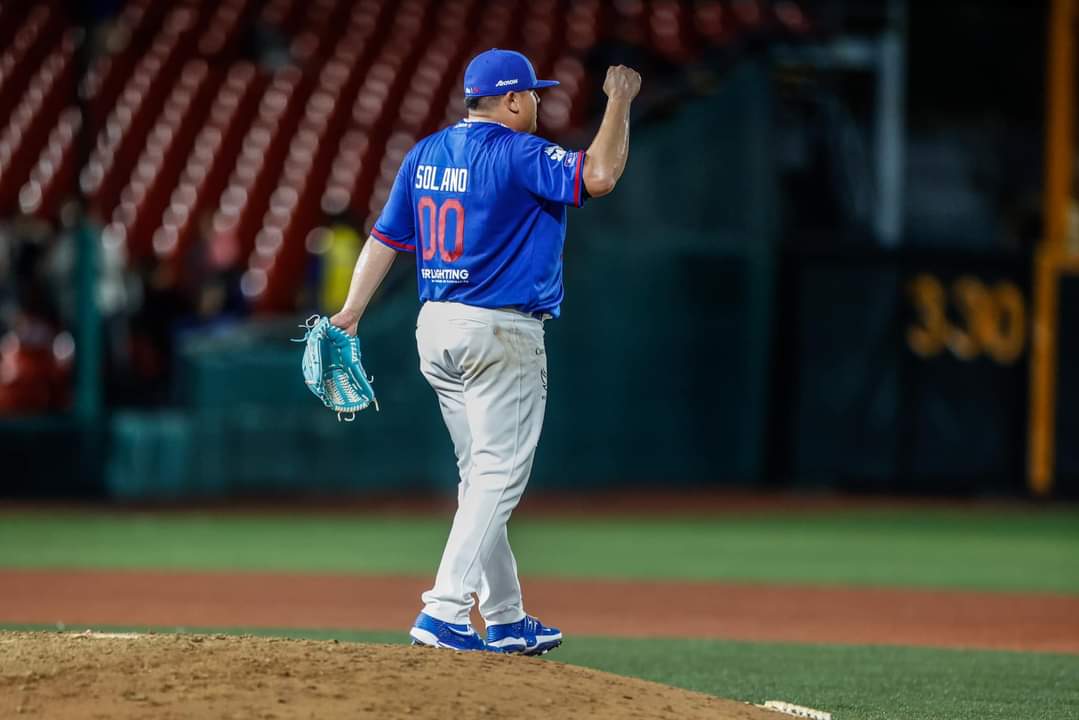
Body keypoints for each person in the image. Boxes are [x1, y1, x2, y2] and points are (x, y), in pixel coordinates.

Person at [330, 49, 640, 654]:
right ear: (514, 99)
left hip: (435, 326)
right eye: (534, 93)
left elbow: (385, 238)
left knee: (479, 476)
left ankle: (505, 617)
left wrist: (352, 310)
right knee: (498, 474)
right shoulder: (519, 152)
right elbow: (600, 175)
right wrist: (620, 101)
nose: (539, 102)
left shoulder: (425, 154)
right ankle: (444, 612)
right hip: (499, 331)